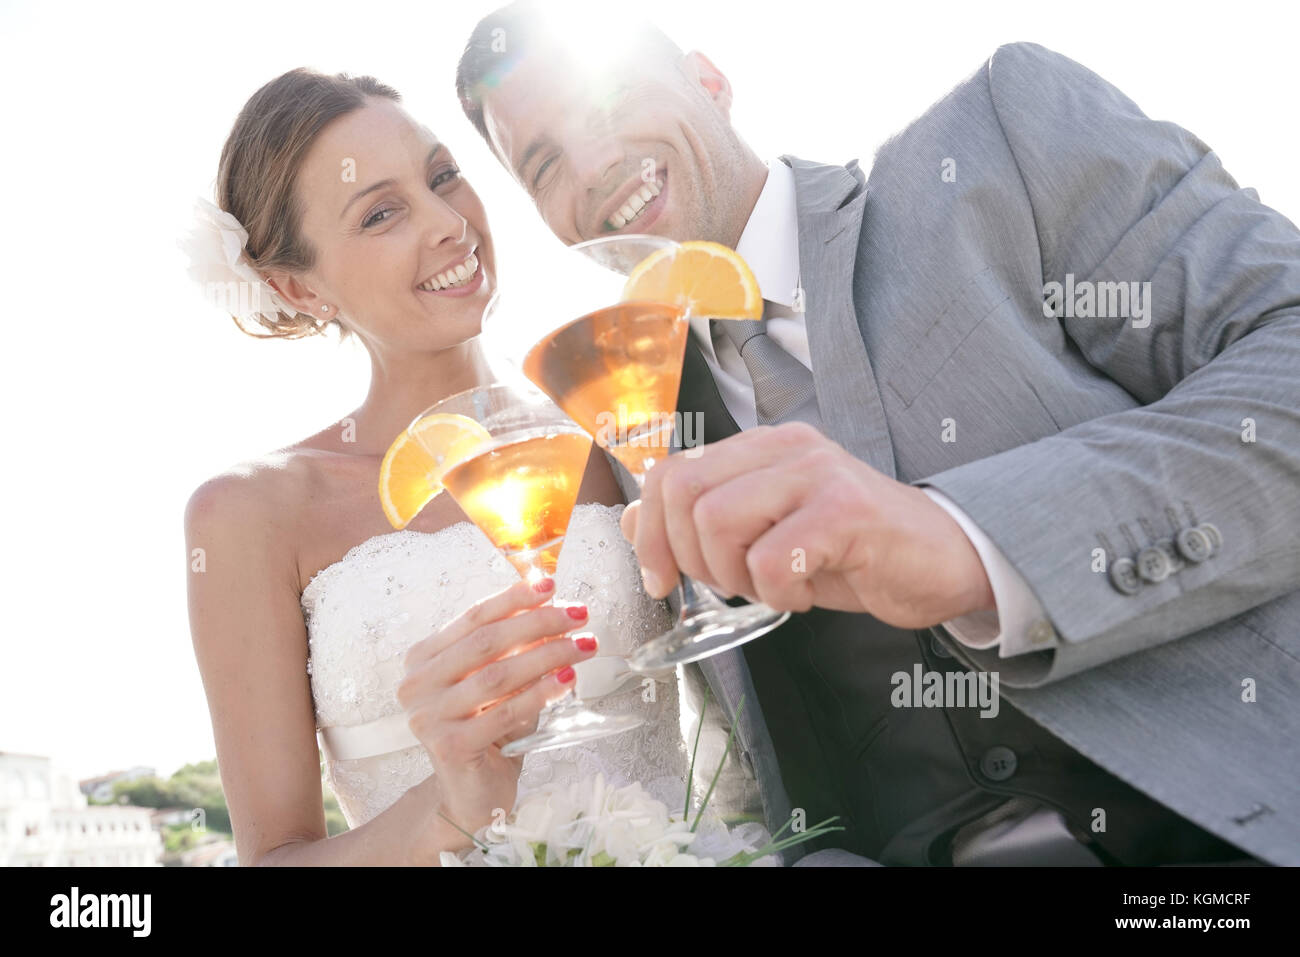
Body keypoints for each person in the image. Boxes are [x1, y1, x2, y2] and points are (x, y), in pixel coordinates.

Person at [456, 1, 1300, 865]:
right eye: (545, 161)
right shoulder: (625, 429)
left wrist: (969, 542)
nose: (592, 166)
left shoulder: (1000, 138)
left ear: (709, 80)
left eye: (606, 99)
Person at [182, 68, 764, 866]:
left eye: (444, 176)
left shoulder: (616, 418)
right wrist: (449, 804)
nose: (448, 222)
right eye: (381, 213)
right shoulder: (250, 514)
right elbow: (274, 857)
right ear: (297, 286)